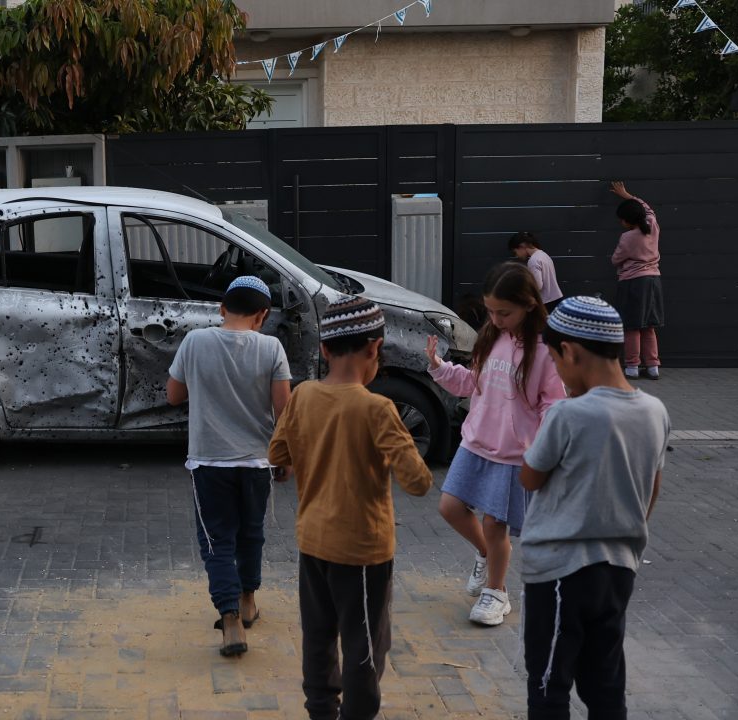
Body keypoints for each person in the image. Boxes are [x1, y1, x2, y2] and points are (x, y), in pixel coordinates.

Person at [268, 296, 433, 720]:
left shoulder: (302, 396)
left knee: (318, 637)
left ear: (324, 350)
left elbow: (277, 452)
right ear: (375, 349)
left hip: (312, 543)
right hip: (361, 551)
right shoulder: (377, 409)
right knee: (364, 644)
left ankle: (321, 711)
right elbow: (418, 483)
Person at [519, 296, 670, 719]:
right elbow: (651, 490)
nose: (558, 375)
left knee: (549, 684)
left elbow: (530, 477)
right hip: (619, 569)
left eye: (554, 360)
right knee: (605, 685)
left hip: (560, 574)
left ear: (570, 351)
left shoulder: (567, 414)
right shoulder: (655, 411)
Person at [426, 262, 566, 627]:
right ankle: (488, 556)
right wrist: (440, 368)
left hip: (513, 453)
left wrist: (547, 443)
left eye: (504, 312)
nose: (496, 318)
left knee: (495, 523)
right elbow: (475, 382)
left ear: (530, 305)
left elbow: (554, 402)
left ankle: (496, 592)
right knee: (450, 506)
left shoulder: (545, 350)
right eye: (491, 311)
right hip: (475, 442)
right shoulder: (493, 336)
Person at [166, 276, 292, 657]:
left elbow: (173, 396)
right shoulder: (272, 348)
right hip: (256, 462)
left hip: (209, 462)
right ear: (263, 315)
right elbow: (284, 411)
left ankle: (231, 619)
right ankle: (249, 599)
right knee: (251, 534)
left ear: (222, 309)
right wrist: (285, 457)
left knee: (217, 541)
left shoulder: (195, 341)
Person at [609, 181, 664, 380]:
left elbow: (616, 259)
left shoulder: (628, 237)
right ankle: (653, 366)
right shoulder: (652, 225)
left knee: (632, 325)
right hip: (653, 281)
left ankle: (632, 366)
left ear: (627, 221)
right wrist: (627, 195)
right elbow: (646, 207)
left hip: (633, 282)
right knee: (649, 325)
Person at [509, 231, 564, 312]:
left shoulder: (533, 261)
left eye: (515, 252)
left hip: (547, 302)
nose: (516, 255)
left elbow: (538, 286)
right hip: (557, 298)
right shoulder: (543, 255)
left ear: (522, 246)